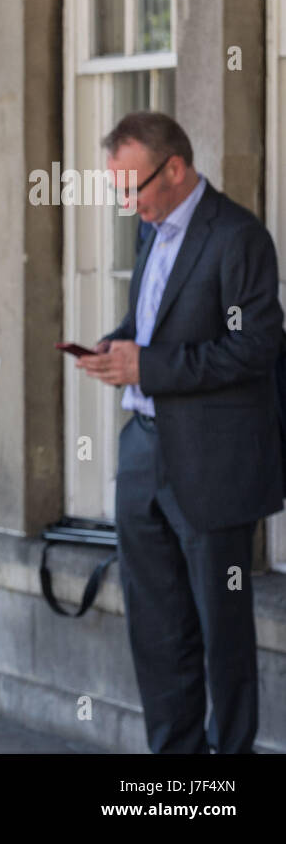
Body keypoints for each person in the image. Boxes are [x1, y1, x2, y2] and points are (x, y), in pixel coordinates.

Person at [77, 111, 283, 754]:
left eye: (134, 188)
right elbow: (155, 322)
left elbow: (256, 348)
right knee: (157, 630)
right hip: (141, 452)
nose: (128, 205)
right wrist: (116, 347)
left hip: (212, 465)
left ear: (177, 169)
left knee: (221, 633)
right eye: (119, 191)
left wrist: (149, 365)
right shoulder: (151, 231)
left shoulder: (239, 236)